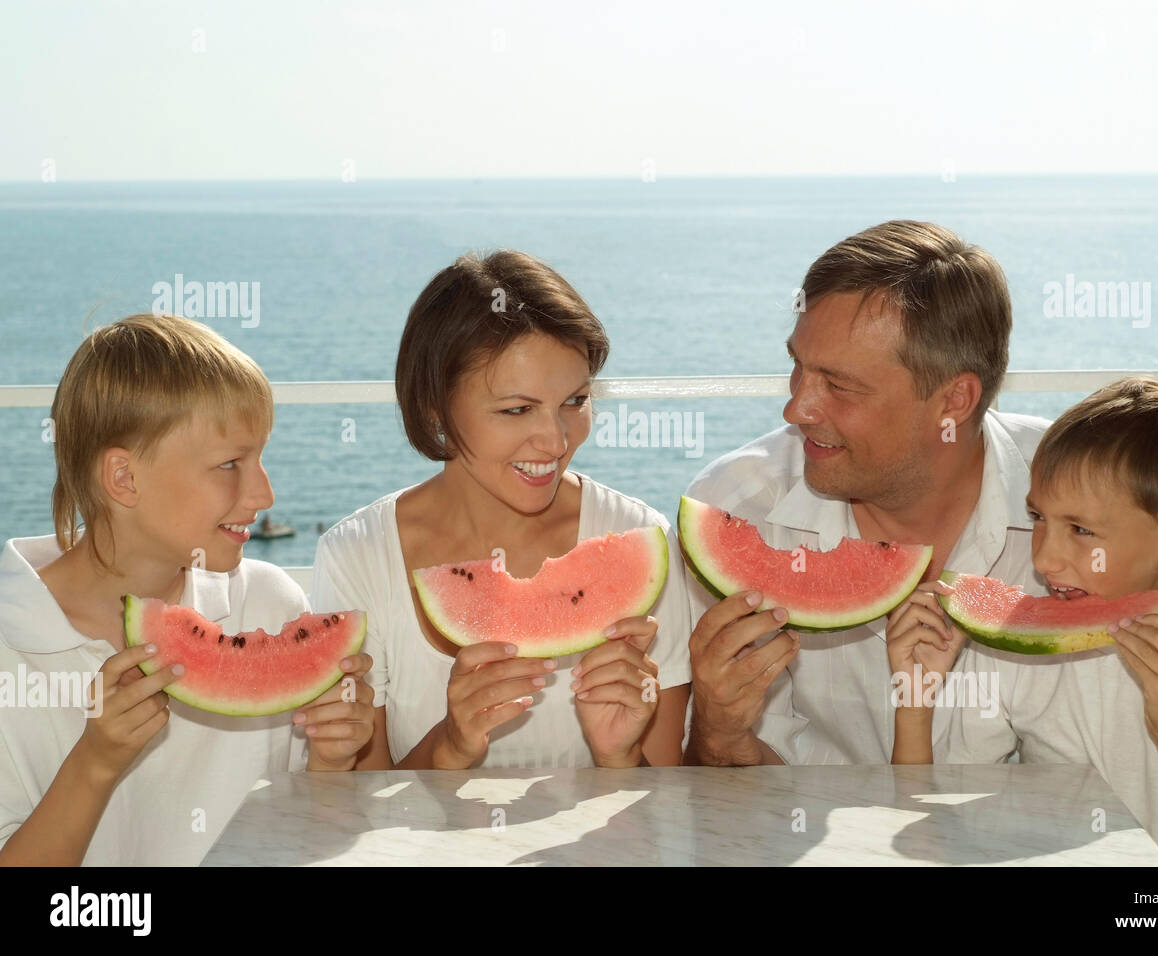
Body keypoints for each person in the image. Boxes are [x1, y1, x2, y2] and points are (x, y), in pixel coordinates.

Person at [683, 220, 1158, 767]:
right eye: (797, 368)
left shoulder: (1096, 493)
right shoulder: (738, 505)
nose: (796, 409)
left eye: (838, 385)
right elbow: (726, 795)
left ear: (955, 400)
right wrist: (718, 731)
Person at [0, 313, 374, 866]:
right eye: (230, 464)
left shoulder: (268, 604)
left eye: (261, 458)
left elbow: (306, 838)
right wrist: (95, 762)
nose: (265, 493)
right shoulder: (12, 645)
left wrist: (333, 761)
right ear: (124, 479)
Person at [311, 250, 692, 770]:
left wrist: (620, 754)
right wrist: (450, 745)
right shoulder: (356, 556)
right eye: (517, 410)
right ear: (435, 408)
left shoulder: (638, 538)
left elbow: (662, 808)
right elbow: (362, 813)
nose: (556, 441)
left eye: (575, 402)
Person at [889, 377, 1158, 865]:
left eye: (1081, 529)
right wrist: (914, 704)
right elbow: (925, 827)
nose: (1046, 559)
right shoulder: (1016, 649)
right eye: (1038, 518)